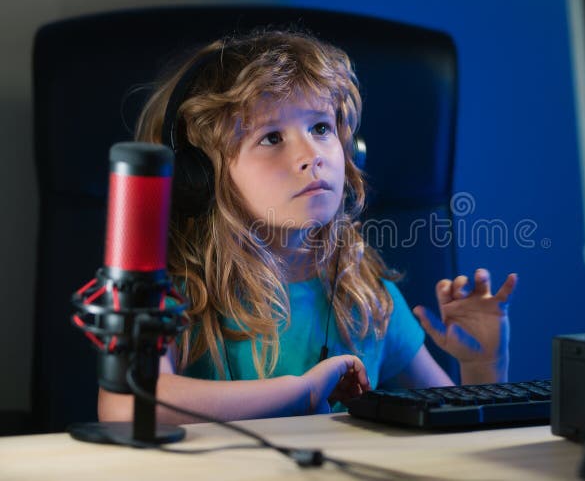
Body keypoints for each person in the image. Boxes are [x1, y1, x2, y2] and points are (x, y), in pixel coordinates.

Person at [98, 28, 518, 425]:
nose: (311, 154)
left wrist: (483, 366)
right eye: (271, 137)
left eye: (320, 127)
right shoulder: (168, 290)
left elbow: (453, 431)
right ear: (201, 175)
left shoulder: (365, 296)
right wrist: (301, 392)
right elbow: (127, 403)